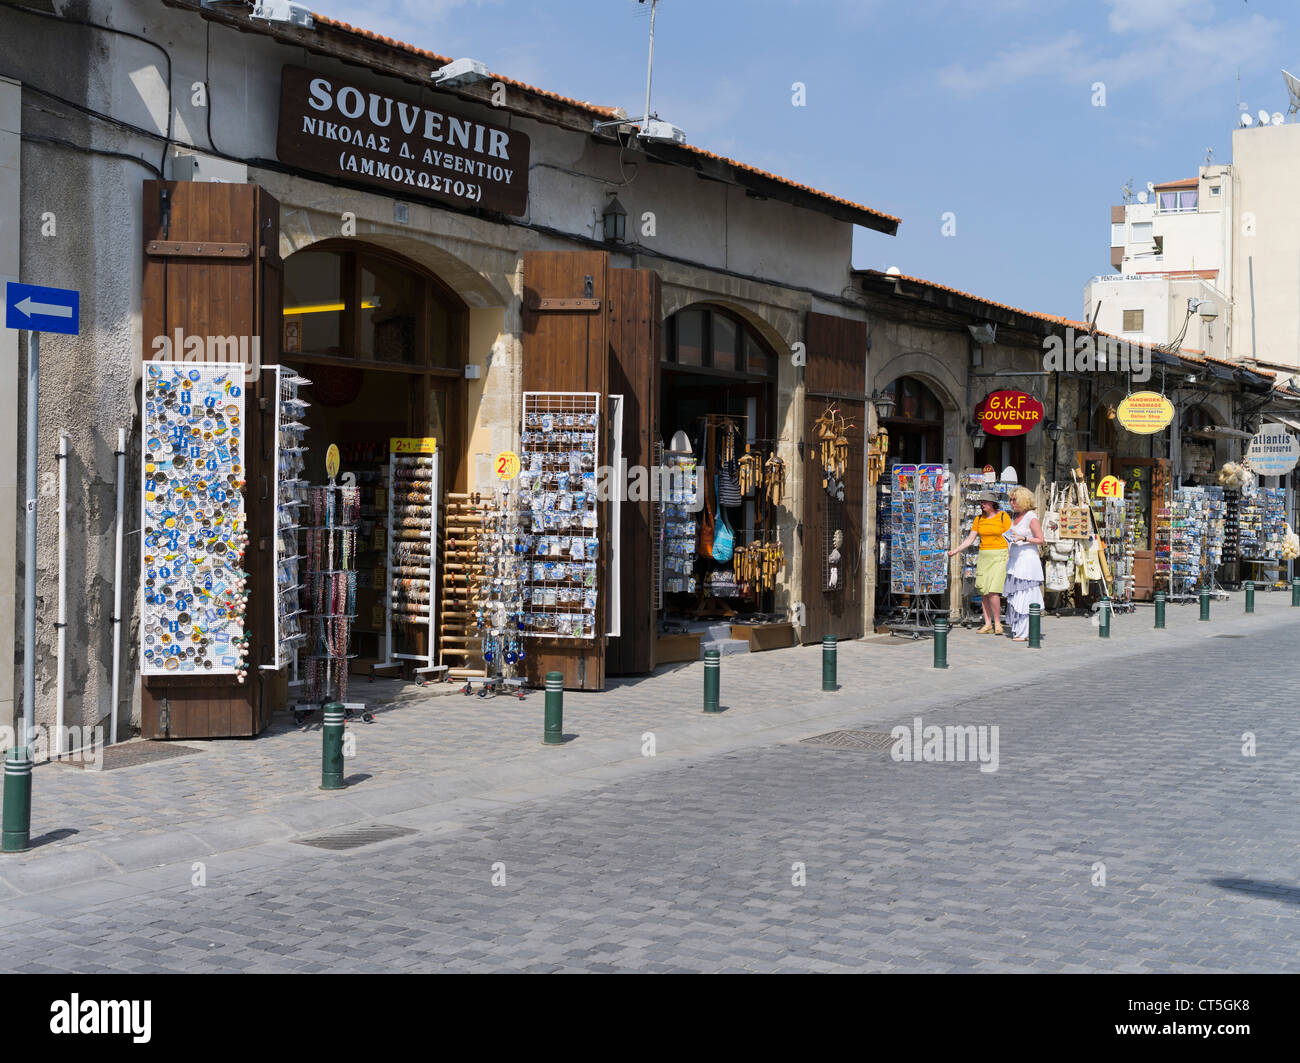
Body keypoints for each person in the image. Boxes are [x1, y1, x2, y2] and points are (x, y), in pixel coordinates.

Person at [949, 490, 1010, 634]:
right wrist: (956, 550)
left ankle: (998, 623)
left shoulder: (1003, 516)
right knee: (983, 590)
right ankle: (987, 623)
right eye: (981, 502)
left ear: (992, 503)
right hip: (983, 555)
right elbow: (970, 539)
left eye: (985, 502)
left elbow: (1011, 537)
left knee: (993, 591)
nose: (982, 504)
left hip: (1000, 555)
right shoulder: (978, 519)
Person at [1004, 486, 1046, 642]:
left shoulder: (1031, 516)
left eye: (1014, 499)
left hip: (1027, 560)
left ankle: (1025, 631)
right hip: (1015, 559)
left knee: (1025, 594)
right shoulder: (1015, 516)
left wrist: (1024, 539)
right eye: (1010, 499)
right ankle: (1019, 629)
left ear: (1022, 500)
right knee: (1016, 595)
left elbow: (1041, 539)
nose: (1012, 502)